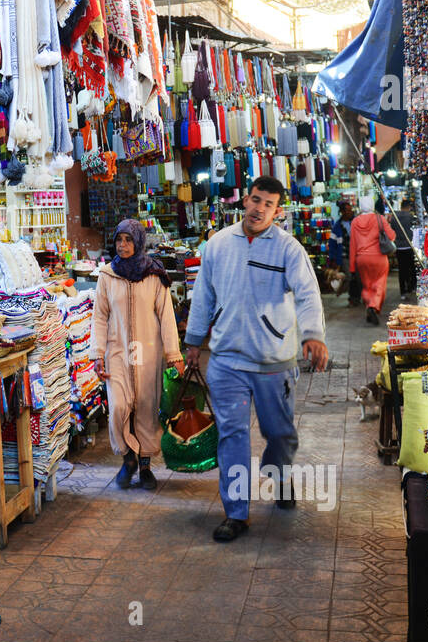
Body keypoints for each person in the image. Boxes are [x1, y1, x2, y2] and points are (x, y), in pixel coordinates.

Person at [182, 177, 329, 542]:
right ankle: (236, 512)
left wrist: (313, 335)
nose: (258, 209)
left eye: (267, 204)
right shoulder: (217, 244)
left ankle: (278, 475)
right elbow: (203, 296)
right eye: (255, 200)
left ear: (278, 212)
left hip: (273, 362)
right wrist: (194, 341)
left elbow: (308, 295)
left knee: (280, 434)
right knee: (231, 435)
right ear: (245, 200)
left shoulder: (288, 249)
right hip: (227, 361)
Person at [93, 219, 185, 490]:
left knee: (146, 407)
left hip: (147, 351)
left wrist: (173, 354)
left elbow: (166, 316)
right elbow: (99, 317)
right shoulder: (107, 276)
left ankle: (144, 466)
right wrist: (97, 354)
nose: (123, 245)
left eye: (128, 240)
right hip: (117, 351)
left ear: (139, 242)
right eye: (119, 240)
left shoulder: (155, 275)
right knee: (120, 407)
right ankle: (127, 457)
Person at [350, 197, 395, 325]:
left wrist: (352, 267)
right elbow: (392, 236)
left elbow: (352, 245)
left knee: (367, 285)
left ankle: (369, 305)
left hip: (362, 259)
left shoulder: (355, 222)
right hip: (379, 257)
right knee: (379, 283)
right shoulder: (379, 219)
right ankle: (373, 306)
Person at [391, 198, 417, 296]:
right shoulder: (410, 217)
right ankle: (412, 287)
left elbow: (392, 230)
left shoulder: (394, 217)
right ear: (409, 207)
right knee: (412, 267)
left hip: (399, 247)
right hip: (409, 246)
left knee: (402, 269)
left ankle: (403, 291)